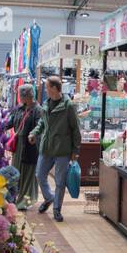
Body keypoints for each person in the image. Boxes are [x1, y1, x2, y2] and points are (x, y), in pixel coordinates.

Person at [29, 74, 81, 222]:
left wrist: (75, 151)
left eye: (47, 87)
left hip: (62, 150)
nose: (45, 90)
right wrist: (34, 133)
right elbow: (42, 123)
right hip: (46, 147)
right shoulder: (46, 103)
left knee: (59, 181)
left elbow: (75, 130)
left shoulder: (68, 106)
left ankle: (57, 209)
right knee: (39, 174)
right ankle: (49, 198)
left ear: (54, 88)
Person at [11, 83, 41, 210]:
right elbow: (12, 121)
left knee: (28, 174)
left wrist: (33, 135)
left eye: (22, 96)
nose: (20, 98)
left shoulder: (37, 110)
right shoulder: (20, 108)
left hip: (30, 147)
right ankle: (16, 197)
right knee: (17, 172)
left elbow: (40, 127)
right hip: (18, 148)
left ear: (29, 96)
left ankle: (25, 200)